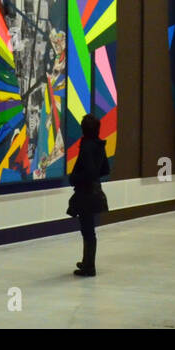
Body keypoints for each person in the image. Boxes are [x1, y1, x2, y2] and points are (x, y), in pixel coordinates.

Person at [67, 113, 110, 277]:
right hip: (95, 191)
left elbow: (89, 171)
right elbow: (104, 169)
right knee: (89, 230)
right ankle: (87, 262)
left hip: (85, 193)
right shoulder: (100, 145)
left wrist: (75, 178)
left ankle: (89, 266)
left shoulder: (86, 146)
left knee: (87, 230)